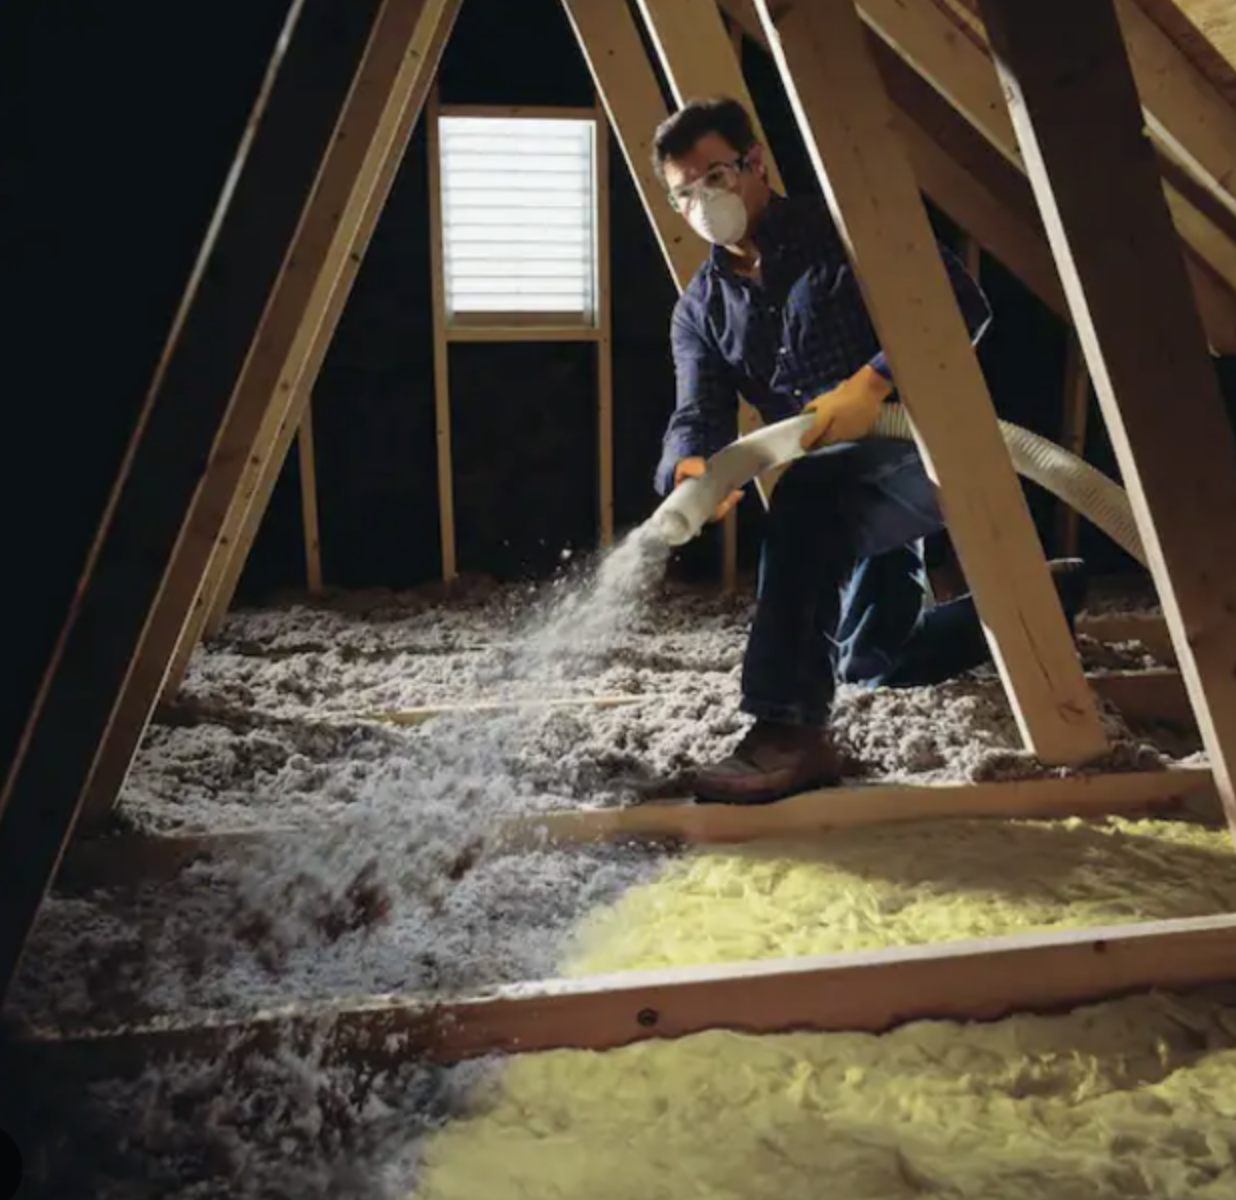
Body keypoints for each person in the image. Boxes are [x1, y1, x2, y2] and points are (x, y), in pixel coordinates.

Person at [651, 96, 1087, 806]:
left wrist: (873, 381)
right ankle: (1045, 594)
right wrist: (690, 470)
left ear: (754, 164)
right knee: (869, 660)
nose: (703, 200)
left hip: (927, 451)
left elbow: (962, 303)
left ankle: (788, 733)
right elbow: (695, 411)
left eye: (715, 178)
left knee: (806, 497)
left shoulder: (843, 232)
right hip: (848, 484)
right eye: (685, 193)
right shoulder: (700, 308)